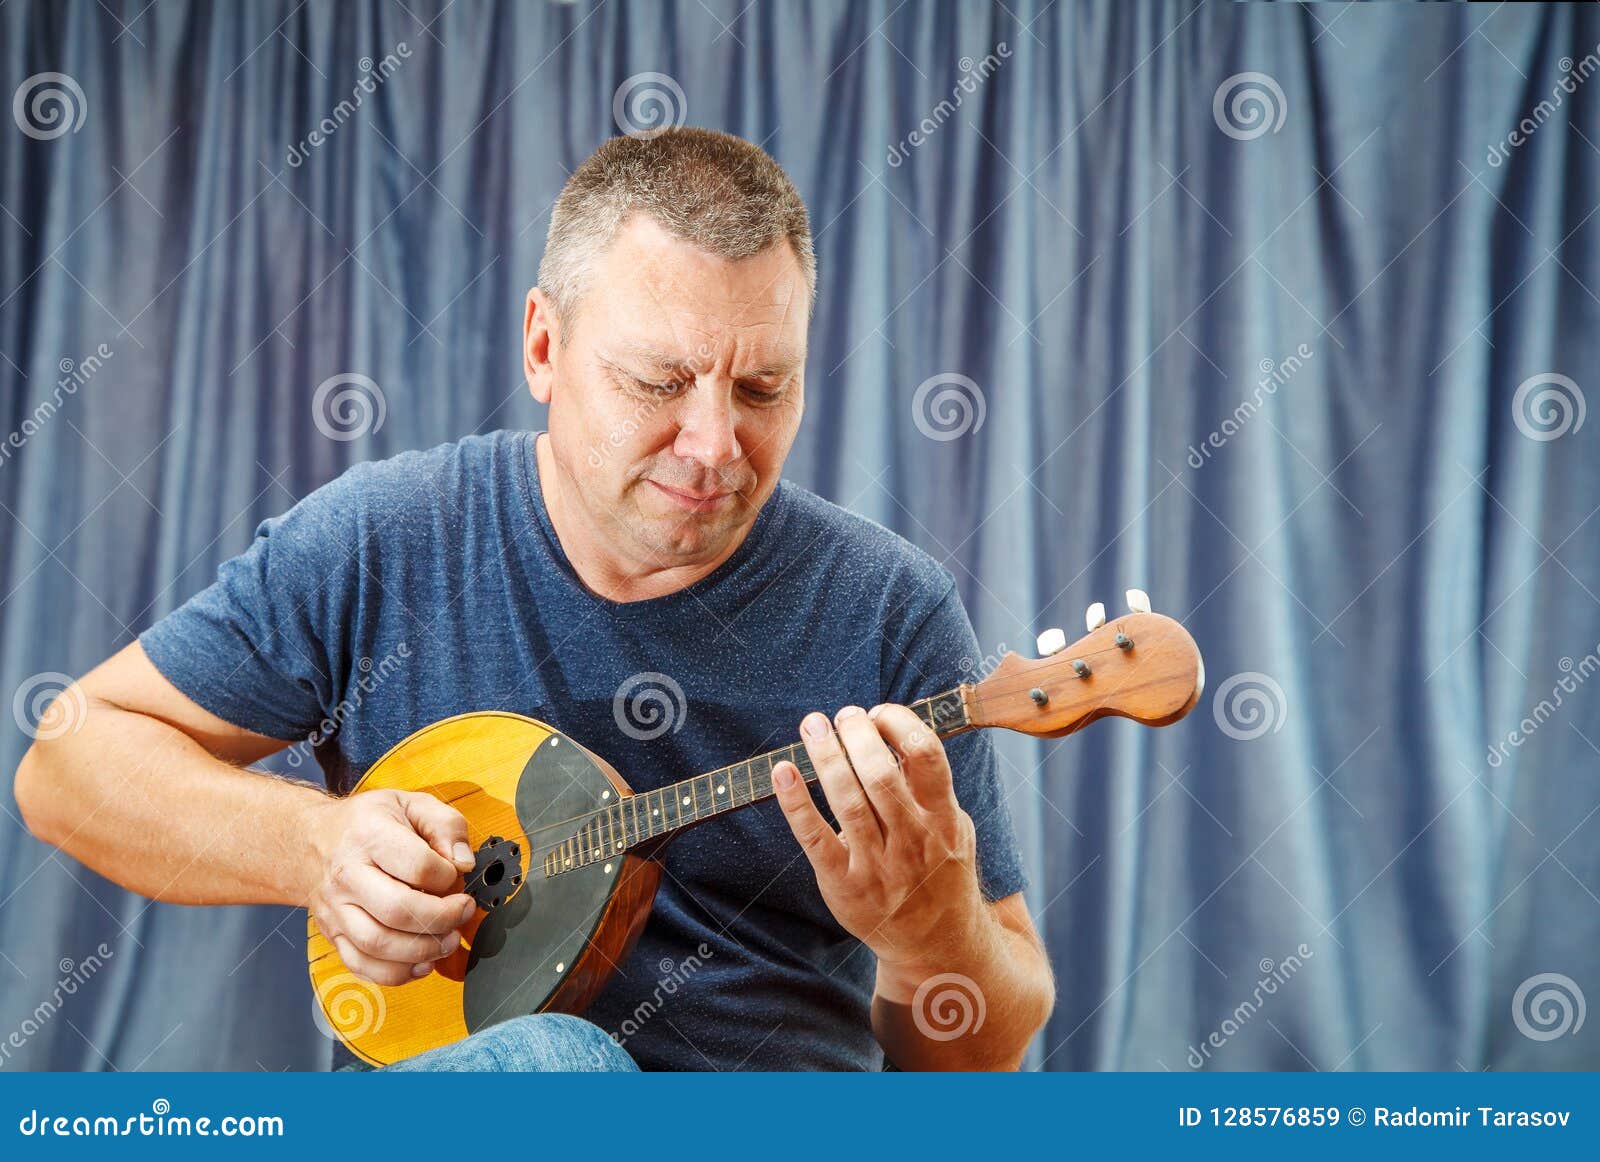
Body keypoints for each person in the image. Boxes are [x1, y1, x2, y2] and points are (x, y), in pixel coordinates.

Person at [15, 127, 1054, 1071]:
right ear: (544, 347)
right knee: (558, 1066)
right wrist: (315, 846)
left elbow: (980, 1056)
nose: (713, 446)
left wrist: (932, 939)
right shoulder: (386, 539)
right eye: (658, 382)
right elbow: (67, 762)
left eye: (761, 390)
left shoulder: (887, 609)